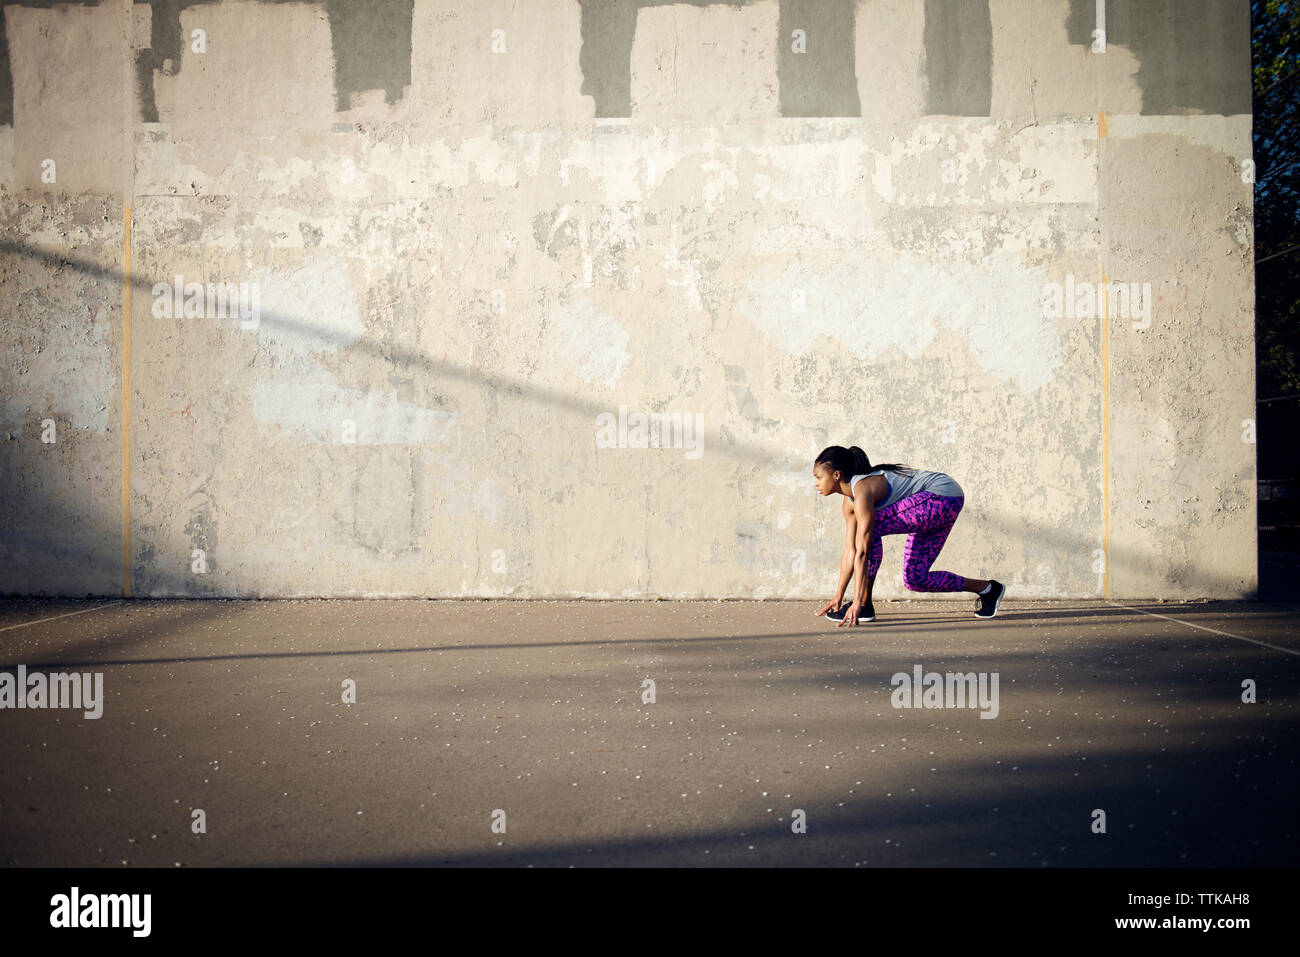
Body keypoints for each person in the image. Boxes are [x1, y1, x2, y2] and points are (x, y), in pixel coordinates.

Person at [811, 445, 1004, 626]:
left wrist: (856, 601)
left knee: (871, 527)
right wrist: (838, 596)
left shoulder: (862, 490)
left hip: (942, 495)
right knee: (915, 579)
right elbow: (850, 551)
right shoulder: (849, 503)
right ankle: (988, 589)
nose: (816, 484)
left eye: (819, 477)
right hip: (939, 506)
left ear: (836, 475)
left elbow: (862, 551)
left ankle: (863, 604)